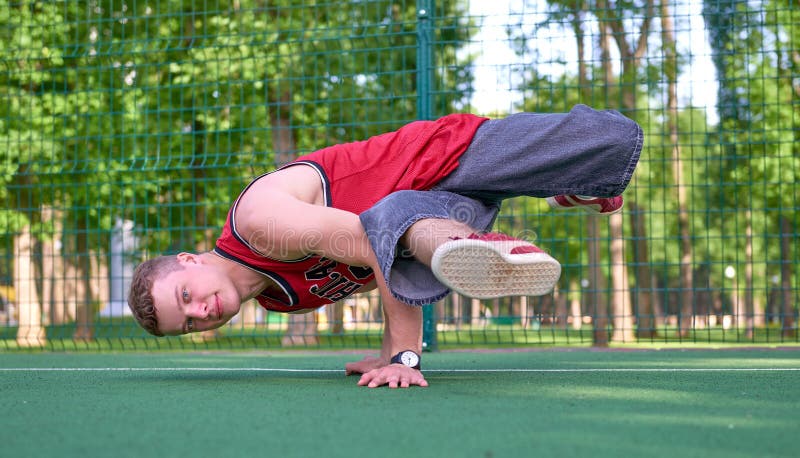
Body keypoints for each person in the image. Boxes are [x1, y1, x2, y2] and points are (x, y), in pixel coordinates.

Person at [127, 104, 643, 388]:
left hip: (442, 158)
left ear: (189, 260)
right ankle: (477, 243)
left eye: (186, 297)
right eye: (190, 324)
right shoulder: (279, 298)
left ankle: (560, 192)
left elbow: (377, 245)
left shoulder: (260, 224)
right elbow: (376, 265)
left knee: (616, 139)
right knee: (395, 225)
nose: (202, 313)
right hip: (438, 215)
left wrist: (404, 356)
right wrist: (381, 356)